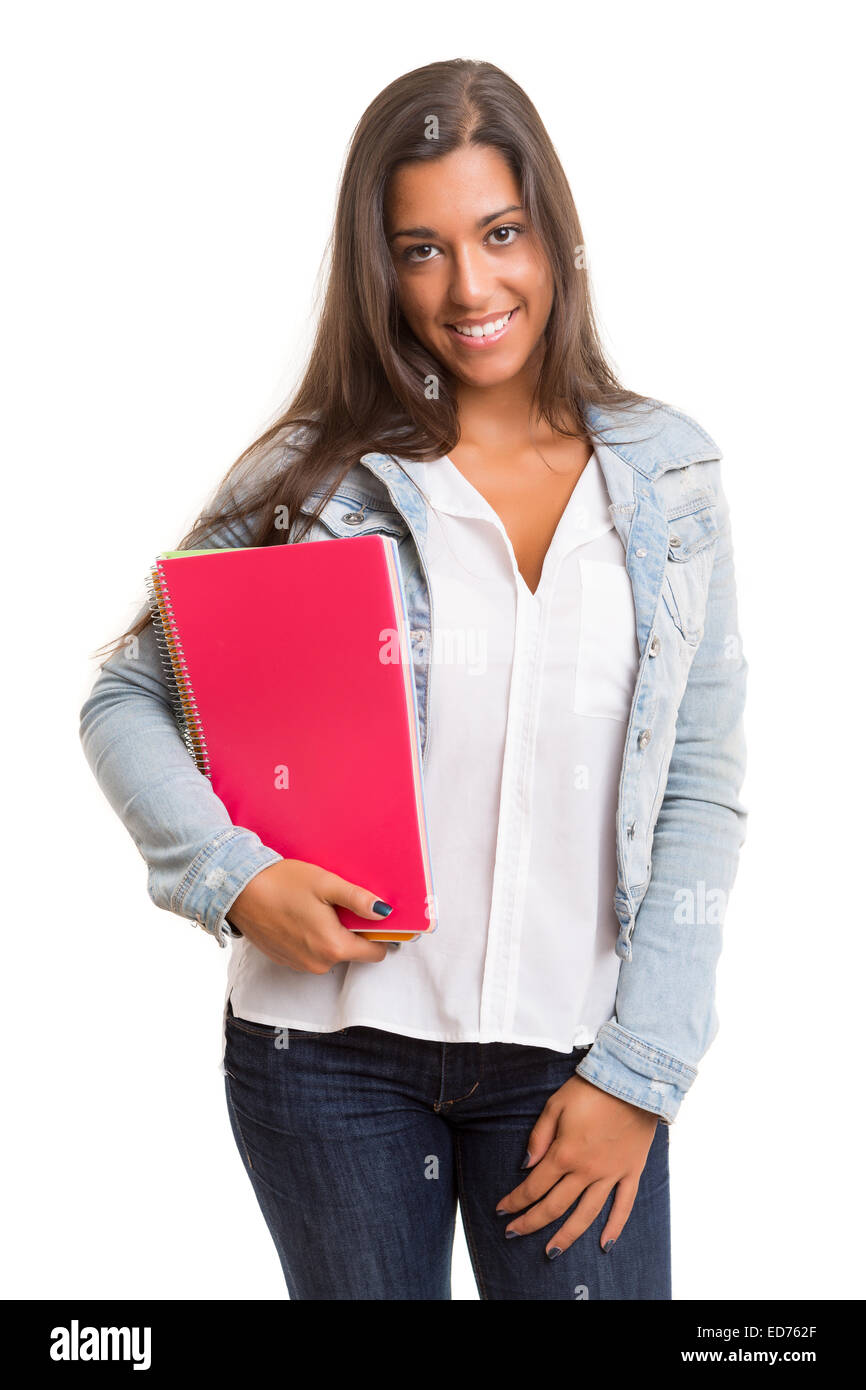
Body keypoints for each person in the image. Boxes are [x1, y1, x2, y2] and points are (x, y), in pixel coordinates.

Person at [79, 57, 749, 1301]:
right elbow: (125, 697)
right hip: (324, 1061)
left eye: (499, 233)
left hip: (571, 1065)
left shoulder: (666, 476)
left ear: (552, 234)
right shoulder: (315, 477)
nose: (469, 287)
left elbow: (699, 785)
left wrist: (638, 1071)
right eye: (420, 249)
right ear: (376, 267)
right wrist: (237, 878)